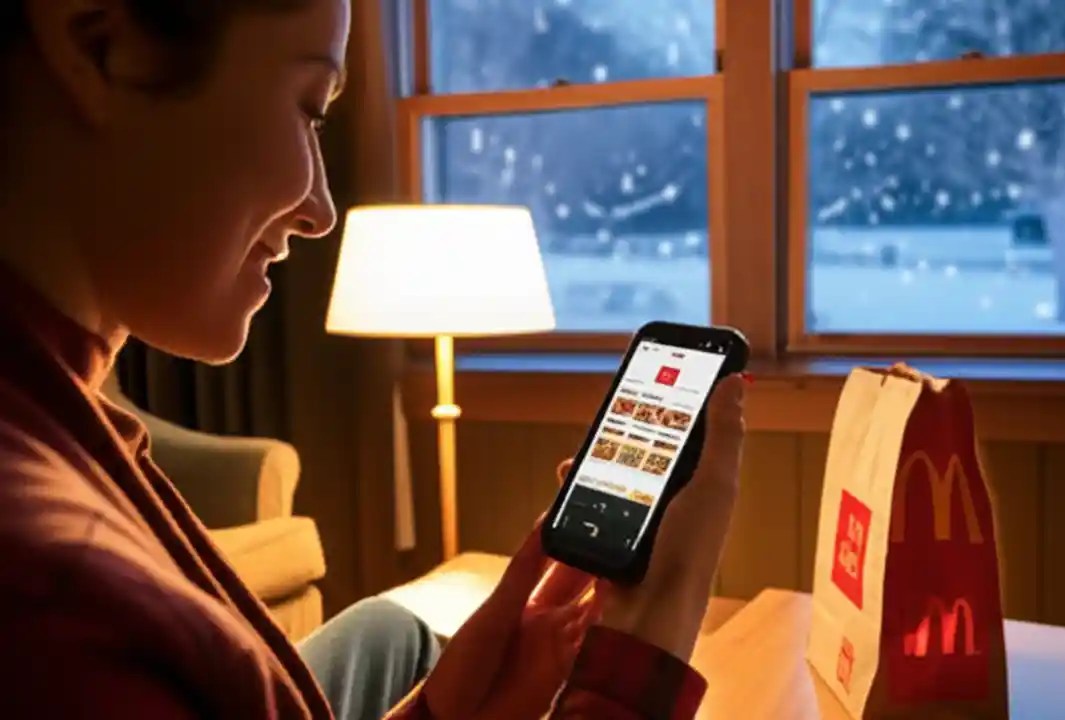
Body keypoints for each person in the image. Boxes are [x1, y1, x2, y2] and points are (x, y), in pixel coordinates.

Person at [0, 0, 747, 718]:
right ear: (101, 49)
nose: (321, 209)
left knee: (390, 632)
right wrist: (647, 644)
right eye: (309, 107)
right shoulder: (58, 610)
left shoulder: (68, 426)